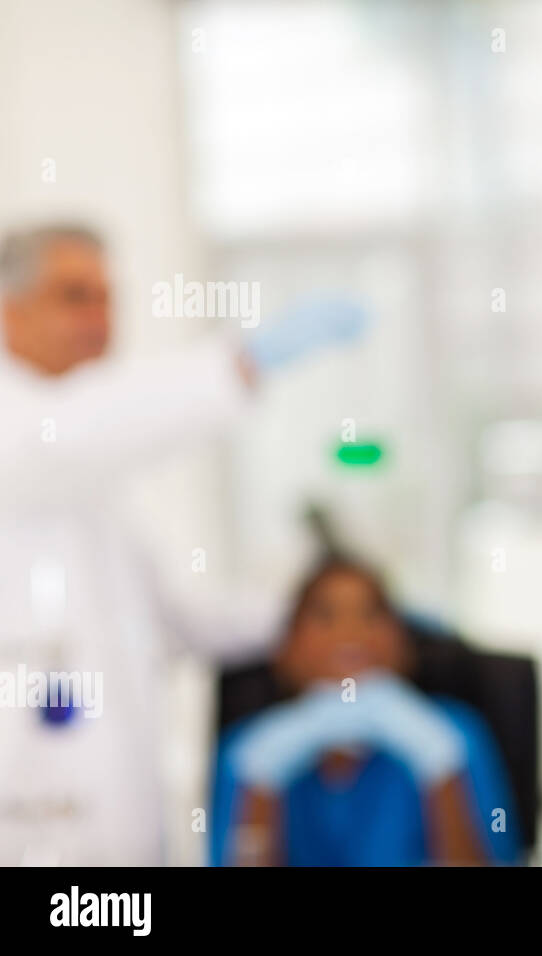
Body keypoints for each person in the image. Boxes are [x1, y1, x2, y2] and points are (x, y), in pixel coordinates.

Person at [0, 223, 364, 864]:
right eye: (74, 296)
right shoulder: (33, 433)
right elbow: (75, 430)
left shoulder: (91, 490)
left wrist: (312, 612)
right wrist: (243, 362)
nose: (100, 318)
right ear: (9, 308)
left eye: (109, 297)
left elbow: (174, 622)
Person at [213, 556, 515, 866]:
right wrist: (262, 780)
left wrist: (441, 768)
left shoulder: (452, 738)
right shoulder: (251, 752)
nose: (350, 631)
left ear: (404, 645)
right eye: (325, 615)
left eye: (372, 614)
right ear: (286, 651)